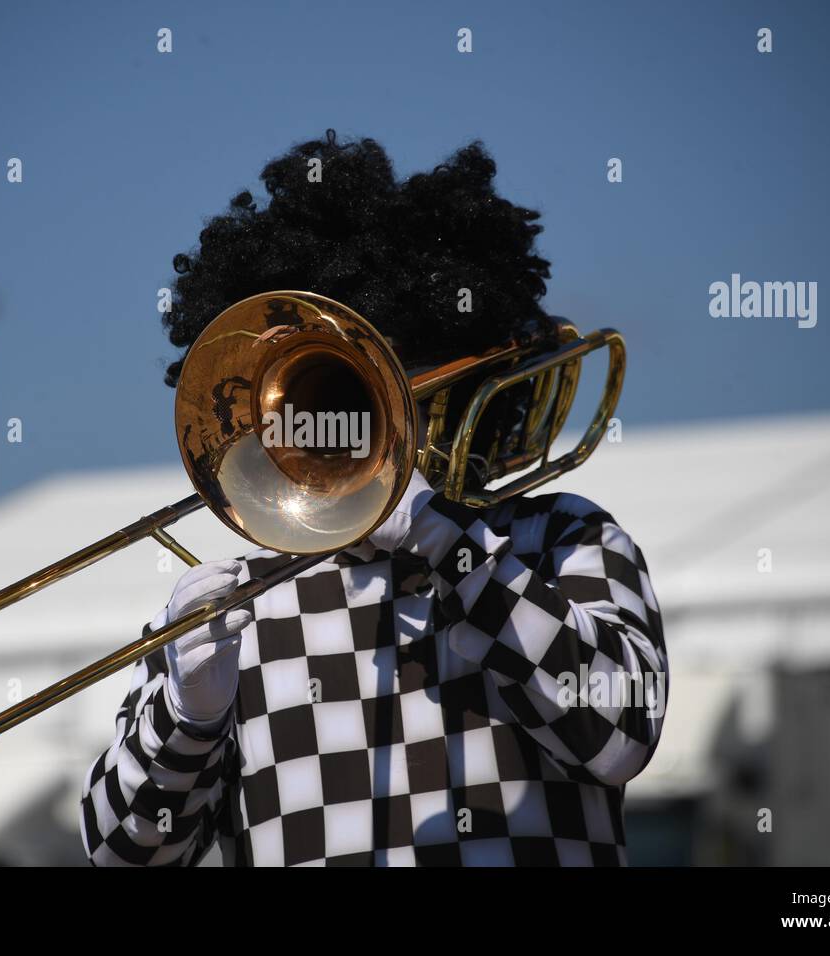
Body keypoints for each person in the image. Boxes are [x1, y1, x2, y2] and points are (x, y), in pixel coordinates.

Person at [81, 131, 668, 866]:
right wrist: (187, 718)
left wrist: (452, 546)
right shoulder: (238, 611)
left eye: (399, 375)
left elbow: (619, 735)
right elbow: (121, 856)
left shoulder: (563, 537)